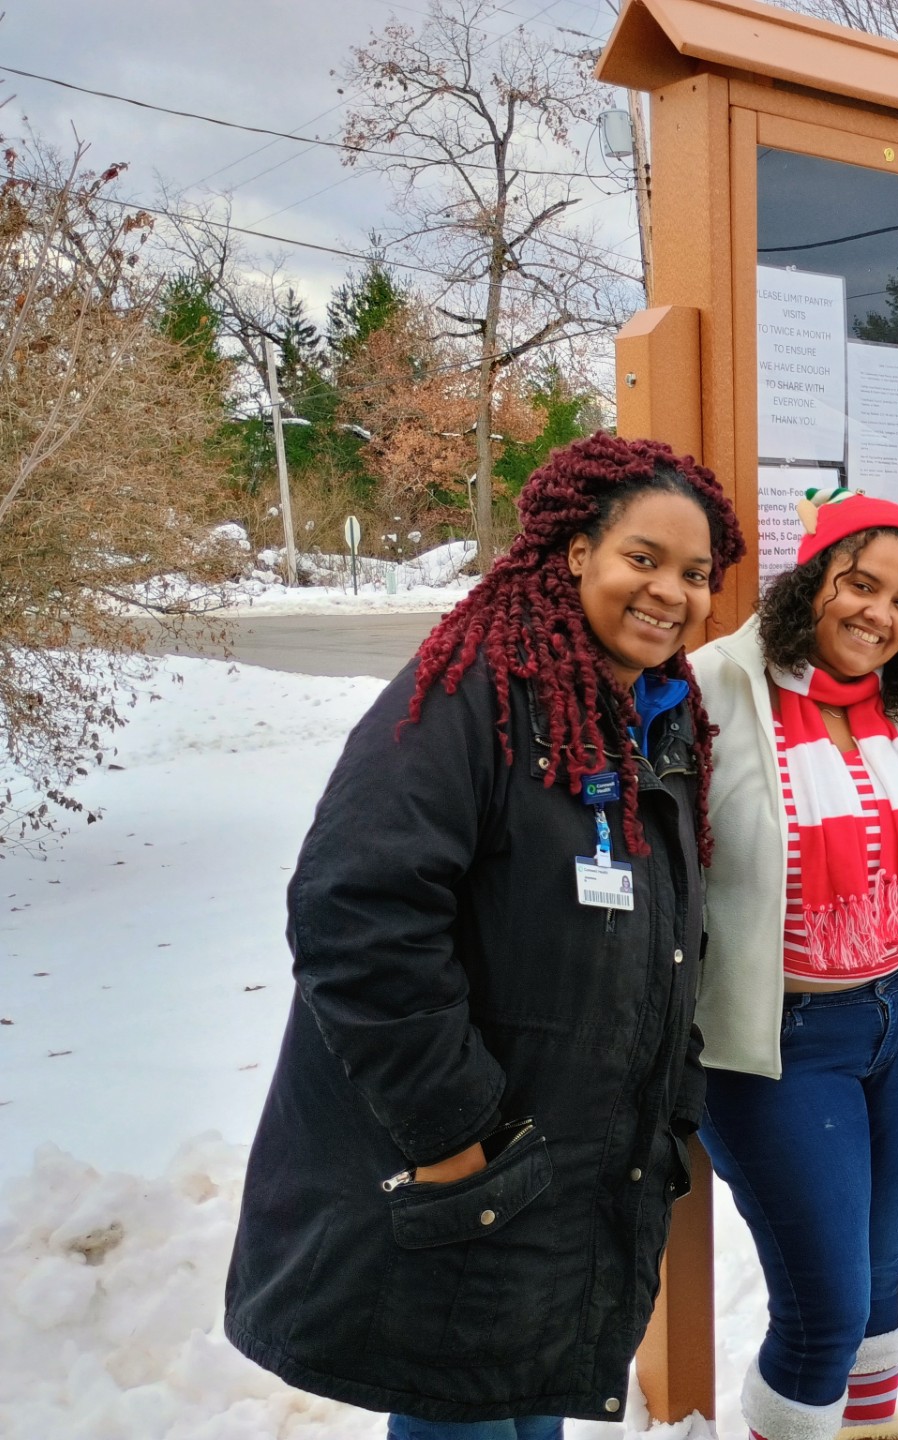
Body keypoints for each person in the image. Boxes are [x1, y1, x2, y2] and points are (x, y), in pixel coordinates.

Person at [224, 434, 745, 1438]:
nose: (671, 592)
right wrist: (458, 1129)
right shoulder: (470, 692)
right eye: (643, 557)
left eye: (694, 573)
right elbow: (356, 915)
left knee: (521, 1402)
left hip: (554, 1161)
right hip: (471, 1167)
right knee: (462, 1403)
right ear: (574, 552)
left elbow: (671, 932)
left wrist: (670, 1092)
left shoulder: (656, 718)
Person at [691, 490, 898, 1440]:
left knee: (877, 1281)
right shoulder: (714, 689)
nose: (880, 614)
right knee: (822, 1309)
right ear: (811, 581)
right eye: (860, 585)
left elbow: (865, 876)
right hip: (781, 1043)